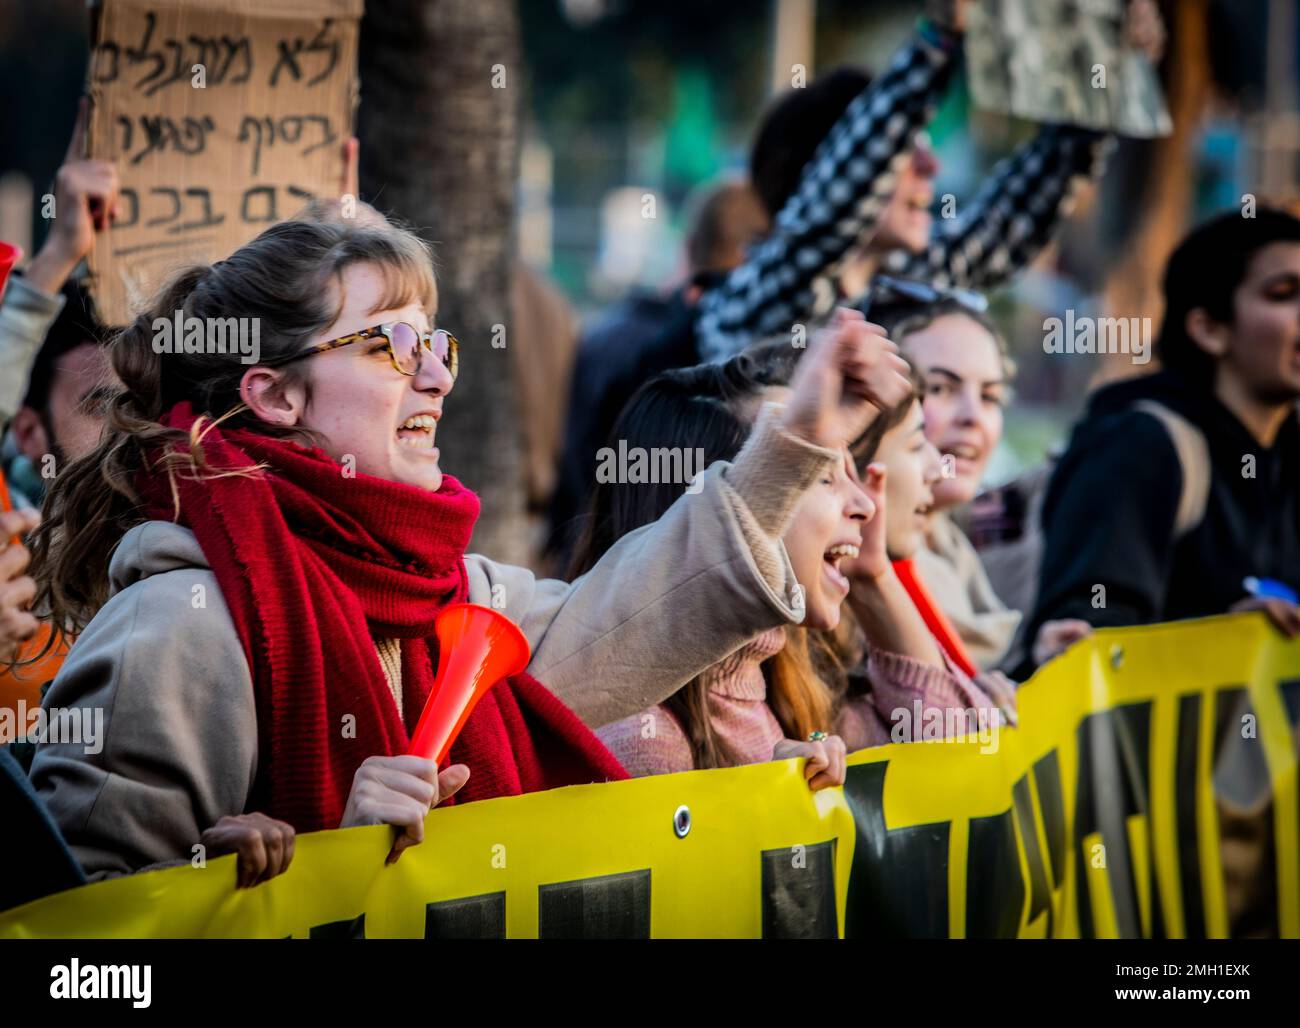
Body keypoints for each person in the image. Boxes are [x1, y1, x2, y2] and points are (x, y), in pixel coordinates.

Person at [27, 209, 911, 885]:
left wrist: (797, 439)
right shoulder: (173, 626)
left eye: (436, 342)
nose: (440, 374)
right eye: (392, 346)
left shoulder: (451, 593)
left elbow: (632, 618)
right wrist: (250, 882)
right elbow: (74, 946)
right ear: (275, 395)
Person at [579, 338, 1005, 779]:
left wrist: (873, 578)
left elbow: (963, 769)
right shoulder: (645, 738)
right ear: (713, 513)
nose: (864, 503)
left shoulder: (786, 682)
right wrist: (764, 805)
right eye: (819, 476)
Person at [692, 0, 1167, 362]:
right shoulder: (757, 297)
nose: (930, 167)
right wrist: (938, 42)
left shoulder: (899, 284)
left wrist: (1109, 80)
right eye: (905, 151)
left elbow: (1010, 222)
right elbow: (832, 210)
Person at [1025, 208, 1300, 663]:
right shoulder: (1139, 444)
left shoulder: (1287, 458)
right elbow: (1081, 639)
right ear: (1209, 330)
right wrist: (1218, 643)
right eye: (1282, 294)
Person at [548, 177, 770, 568]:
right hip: (667, 577)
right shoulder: (707, 353)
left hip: (591, 568)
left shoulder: (608, 335)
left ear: (687, 246)